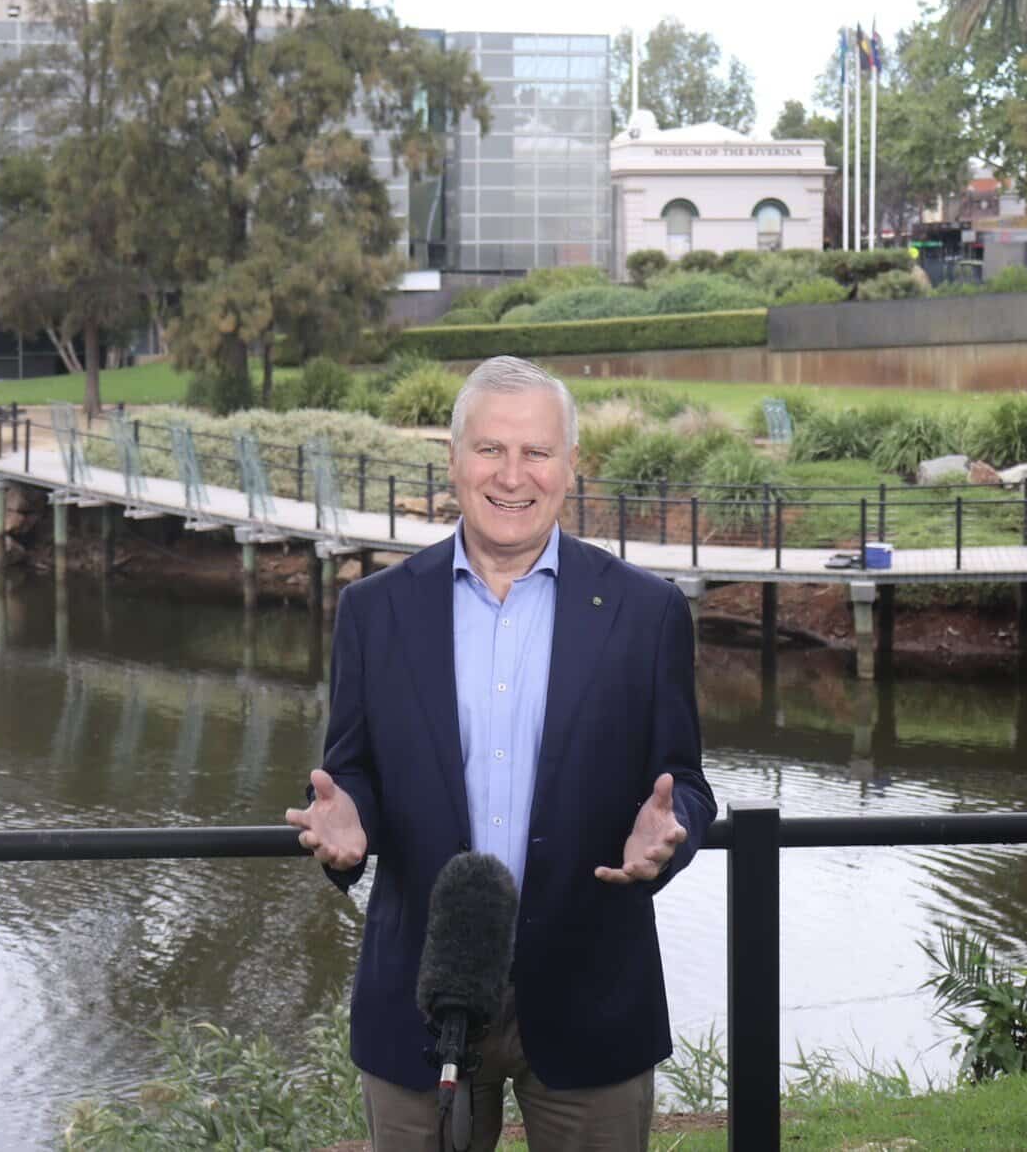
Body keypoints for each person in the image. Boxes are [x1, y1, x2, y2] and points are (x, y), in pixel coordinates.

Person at [286, 355, 717, 1151]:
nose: (512, 475)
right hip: (423, 987)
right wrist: (345, 826)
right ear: (452, 462)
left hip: (593, 987)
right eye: (490, 449)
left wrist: (670, 833)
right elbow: (353, 775)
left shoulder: (646, 613)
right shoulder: (374, 613)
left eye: (536, 453)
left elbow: (683, 783)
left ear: (570, 466)